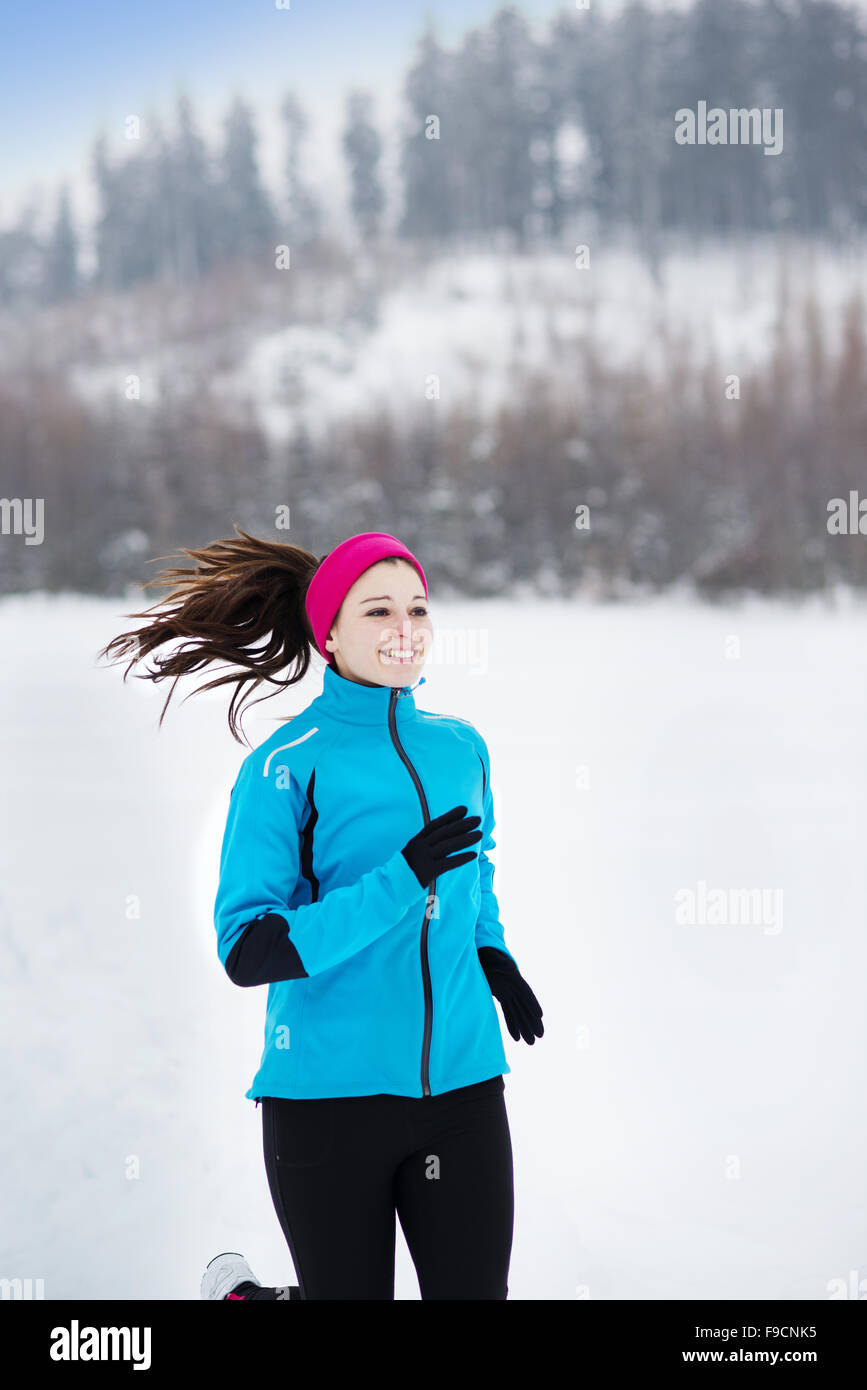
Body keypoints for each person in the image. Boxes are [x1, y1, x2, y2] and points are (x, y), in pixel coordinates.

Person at [100, 527, 543, 1299]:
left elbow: (476, 874)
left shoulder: (461, 748)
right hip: (328, 1100)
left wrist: (493, 955)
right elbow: (249, 947)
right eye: (377, 612)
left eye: (417, 608)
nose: (404, 629)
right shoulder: (284, 766)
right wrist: (400, 880)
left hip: (465, 1089)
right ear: (329, 634)